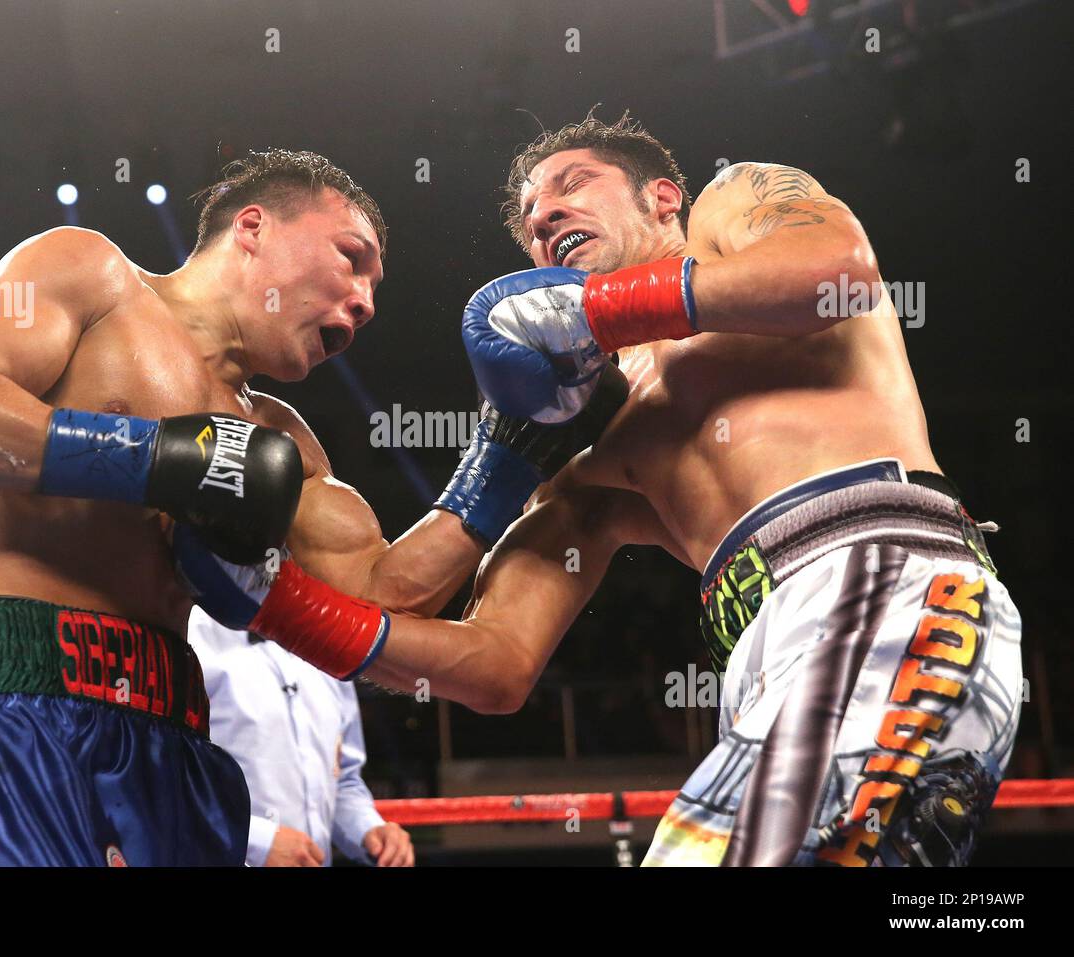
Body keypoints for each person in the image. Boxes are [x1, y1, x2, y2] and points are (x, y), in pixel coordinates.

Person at [223, 114, 1022, 867]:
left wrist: (600, 308)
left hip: (889, 585)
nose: (547, 214)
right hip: (764, 664)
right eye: (531, 219)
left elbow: (840, 273)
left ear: (661, 197)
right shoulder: (597, 442)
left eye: (574, 183)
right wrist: (280, 607)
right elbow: (495, 660)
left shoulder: (737, 206)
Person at [0, 148, 619, 865]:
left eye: (372, 287)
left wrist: (502, 463)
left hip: (174, 745)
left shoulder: (280, 440)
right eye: (350, 257)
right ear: (253, 228)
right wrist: (158, 460)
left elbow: (382, 596)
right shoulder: (89, 273)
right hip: (18, 712)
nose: (364, 301)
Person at [190, 610, 413, 867]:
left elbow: (343, 782)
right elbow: (168, 785)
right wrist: (257, 841)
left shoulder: (325, 646)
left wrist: (370, 829)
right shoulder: (188, 633)